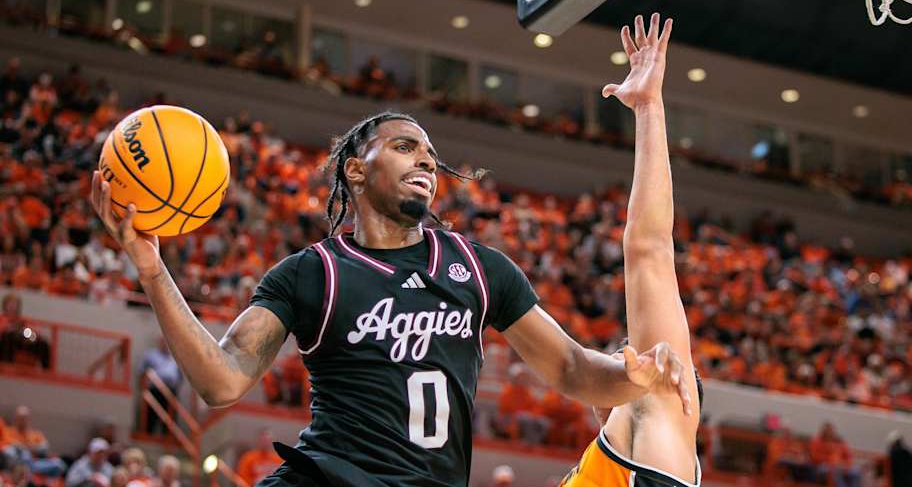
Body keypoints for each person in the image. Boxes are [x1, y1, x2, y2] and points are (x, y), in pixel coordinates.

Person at [90, 104, 691, 486]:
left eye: (431, 155)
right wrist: (152, 271)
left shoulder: (480, 269)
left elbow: (572, 368)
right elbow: (221, 381)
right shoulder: (311, 273)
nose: (427, 161)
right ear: (355, 169)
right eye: (406, 147)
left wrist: (633, 379)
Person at [559, 13, 701, 487]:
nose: (626, 356)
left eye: (628, 353)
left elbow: (650, 250)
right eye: (626, 353)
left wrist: (648, 109)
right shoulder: (614, 456)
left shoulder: (657, 402)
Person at [139, 338, 182, 435]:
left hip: (170, 391)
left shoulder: (174, 357)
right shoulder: (151, 355)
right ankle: (148, 434)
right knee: (151, 415)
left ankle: (168, 436)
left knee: (170, 416)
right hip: (155, 390)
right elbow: (142, 372)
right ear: (159, 342)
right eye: (163, 342)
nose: (166, 344)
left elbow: (179, 376)